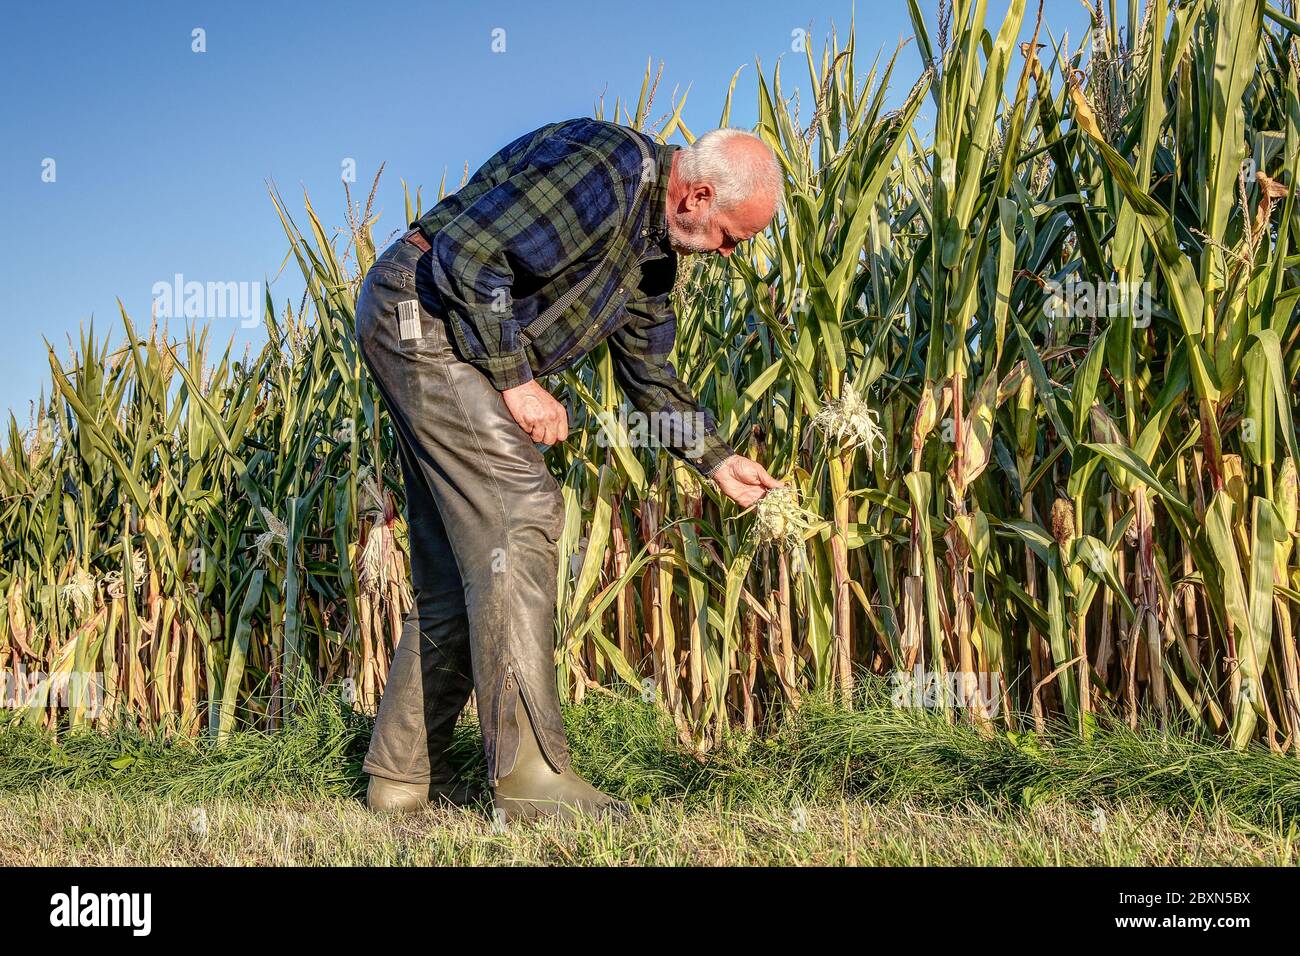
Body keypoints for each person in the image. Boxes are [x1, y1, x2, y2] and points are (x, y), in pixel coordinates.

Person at [354, 118, 783, 821]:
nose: (729, 253)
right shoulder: (608, 172)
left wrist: (717, 459)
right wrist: (517, 380)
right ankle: (531, 779)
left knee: (465, 566)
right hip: (420, 316)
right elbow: (468, 250)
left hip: (446, 337)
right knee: (522, 512)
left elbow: (650, 377)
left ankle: (400, 781)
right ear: (697, 195)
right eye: (731, 236)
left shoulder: (654, 259)